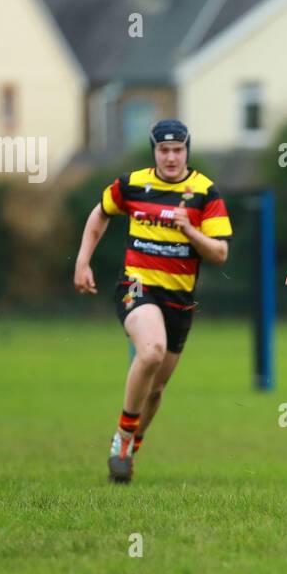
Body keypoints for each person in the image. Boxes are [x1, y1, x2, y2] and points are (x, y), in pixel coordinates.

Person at [73, 119, 232, 483]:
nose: (172, 157)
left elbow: (220, 253)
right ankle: (123, 439)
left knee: (157, 386)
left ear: (187, 150)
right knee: (152, 350)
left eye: (178, 150)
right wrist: (83, 261)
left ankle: (129, 450)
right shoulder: (132, 184)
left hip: (180, 298)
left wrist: (190, 230)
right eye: (164, 150)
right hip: (136, 286)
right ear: (154, 151)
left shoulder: (205, 192)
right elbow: (100, 213)